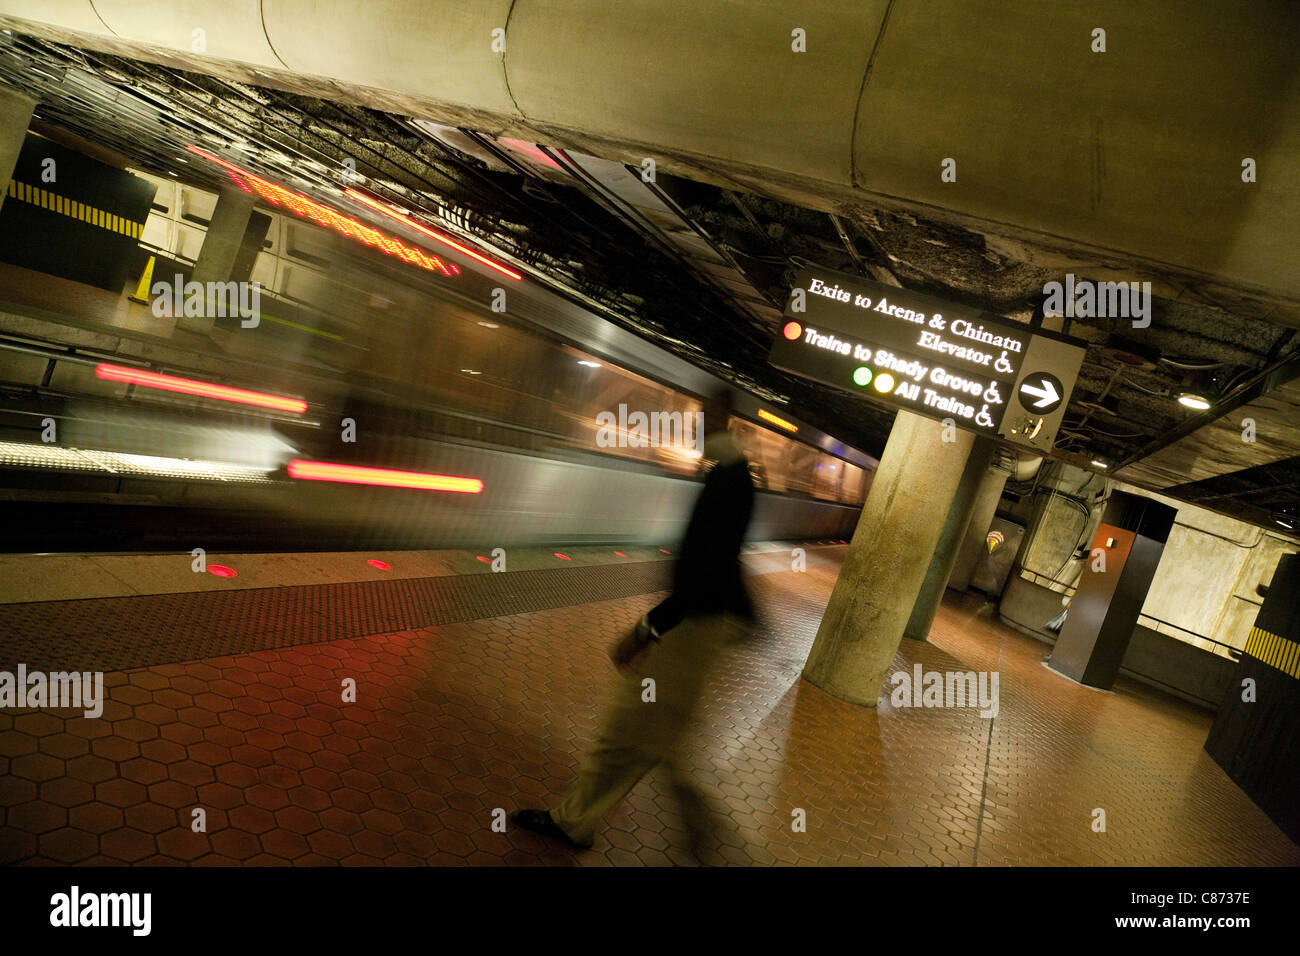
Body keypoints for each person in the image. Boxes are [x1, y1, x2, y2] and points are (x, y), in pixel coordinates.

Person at [511, 388, 756, 858]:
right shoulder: (730, 475)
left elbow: (709, 569)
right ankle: (700, 845)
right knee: (659, 740)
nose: (695, 426)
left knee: (628, 733)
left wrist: (647, 628)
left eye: (702, 416)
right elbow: (723, 563)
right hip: (701, 623)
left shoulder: (730, 479)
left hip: (693, 627)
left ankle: (705, 847)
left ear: (721, 418)